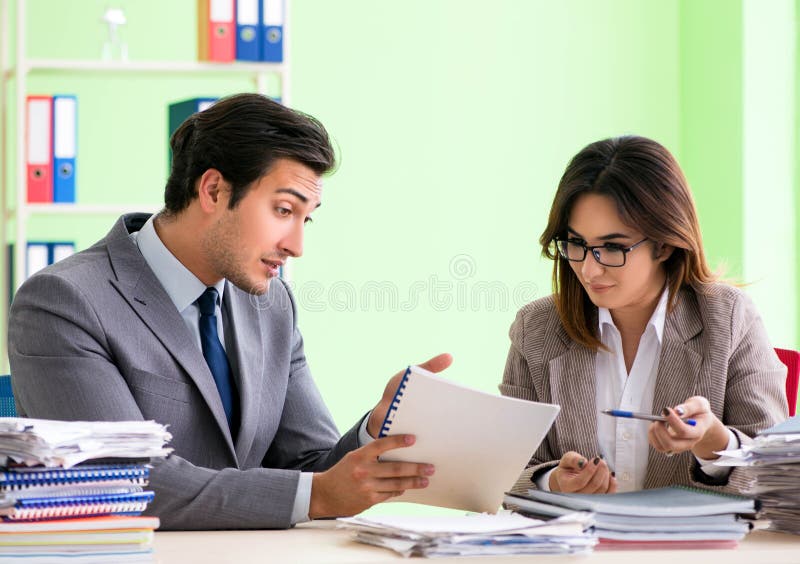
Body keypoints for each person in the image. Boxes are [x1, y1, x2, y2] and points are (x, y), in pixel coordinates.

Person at [8, 93, 451, 529]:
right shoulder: (63, 301)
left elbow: (309, 468)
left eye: (306, 218)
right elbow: (124, 481)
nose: (296, 245)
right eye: (283, 210)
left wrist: (375, 429)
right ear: (214, 190)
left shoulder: (271, 304)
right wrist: (319, 493)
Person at [501, 135, 787, 495]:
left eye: (613, 247)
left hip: (691, 550)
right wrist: (552, 481)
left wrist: (713, 442)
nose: (589, 269)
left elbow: (776, 476)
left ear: (665, 243)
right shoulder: (536, 328)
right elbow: (506, 472)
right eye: (576, 244)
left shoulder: (728, 317)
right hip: (580, 551)